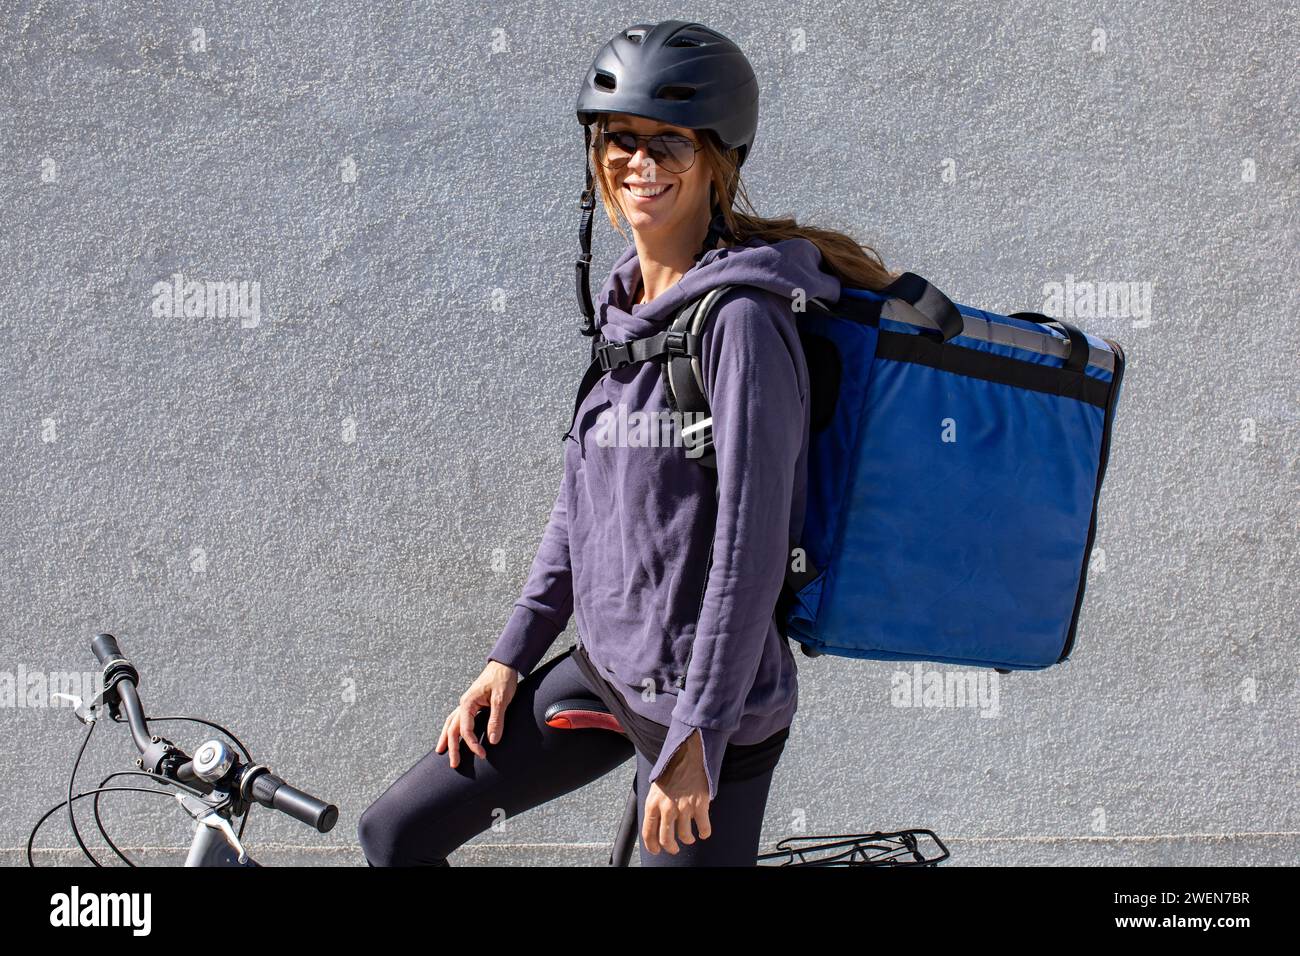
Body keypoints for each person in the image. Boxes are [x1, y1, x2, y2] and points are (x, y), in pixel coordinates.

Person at [358, 18, 899, 867]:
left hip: (708, 708)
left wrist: (696, 741)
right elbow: (582, 507)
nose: (639, 164)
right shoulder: (623, 311)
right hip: (608, 673)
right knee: (396, 832)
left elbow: (749, 551)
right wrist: (512, 656)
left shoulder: (744, 322)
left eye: (669, 145)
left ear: (715, 162)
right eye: (621, 140)